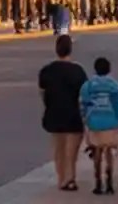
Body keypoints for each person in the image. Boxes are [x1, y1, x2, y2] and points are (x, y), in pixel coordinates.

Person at [39, 34, 88, 192]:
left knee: (58, 149)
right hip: (73, 115)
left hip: (54, 113)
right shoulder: (78, 71)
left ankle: (61, 179)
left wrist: (49, 104)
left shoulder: (46, 71)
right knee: (71, 151)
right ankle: (70, 178)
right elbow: (84, 95)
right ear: (70, 50)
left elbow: (42, 93)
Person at [80, 57, 118, 195]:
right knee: (109, 152)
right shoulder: (114, 85)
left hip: (95, 122)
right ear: (109, 69)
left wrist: (85, 118)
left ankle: (98, 182)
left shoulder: (88, 85)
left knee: (97, 152)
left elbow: (83, 103)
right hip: (111, 121)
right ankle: (110, 182)